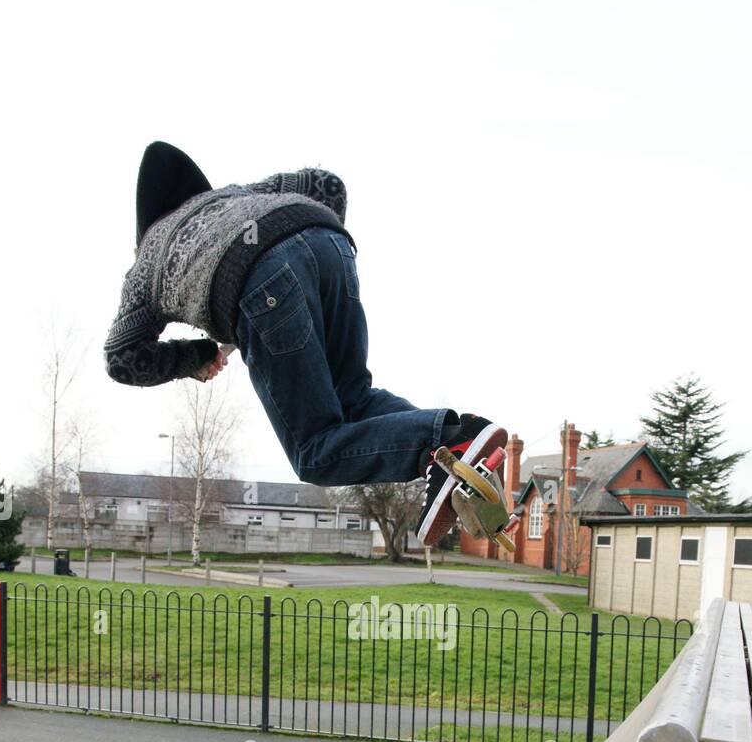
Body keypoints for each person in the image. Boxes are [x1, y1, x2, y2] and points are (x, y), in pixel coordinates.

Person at [104, 141, 507, 543]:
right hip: (328, 245)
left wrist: (197, 356)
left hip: (258, 279)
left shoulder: (145, 261)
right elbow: (327, 185)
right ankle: (462, 443)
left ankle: (447, 444)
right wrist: (307, 257)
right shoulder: (231, 195)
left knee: (314, 451)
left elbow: (122, 358)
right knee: (353, 400)